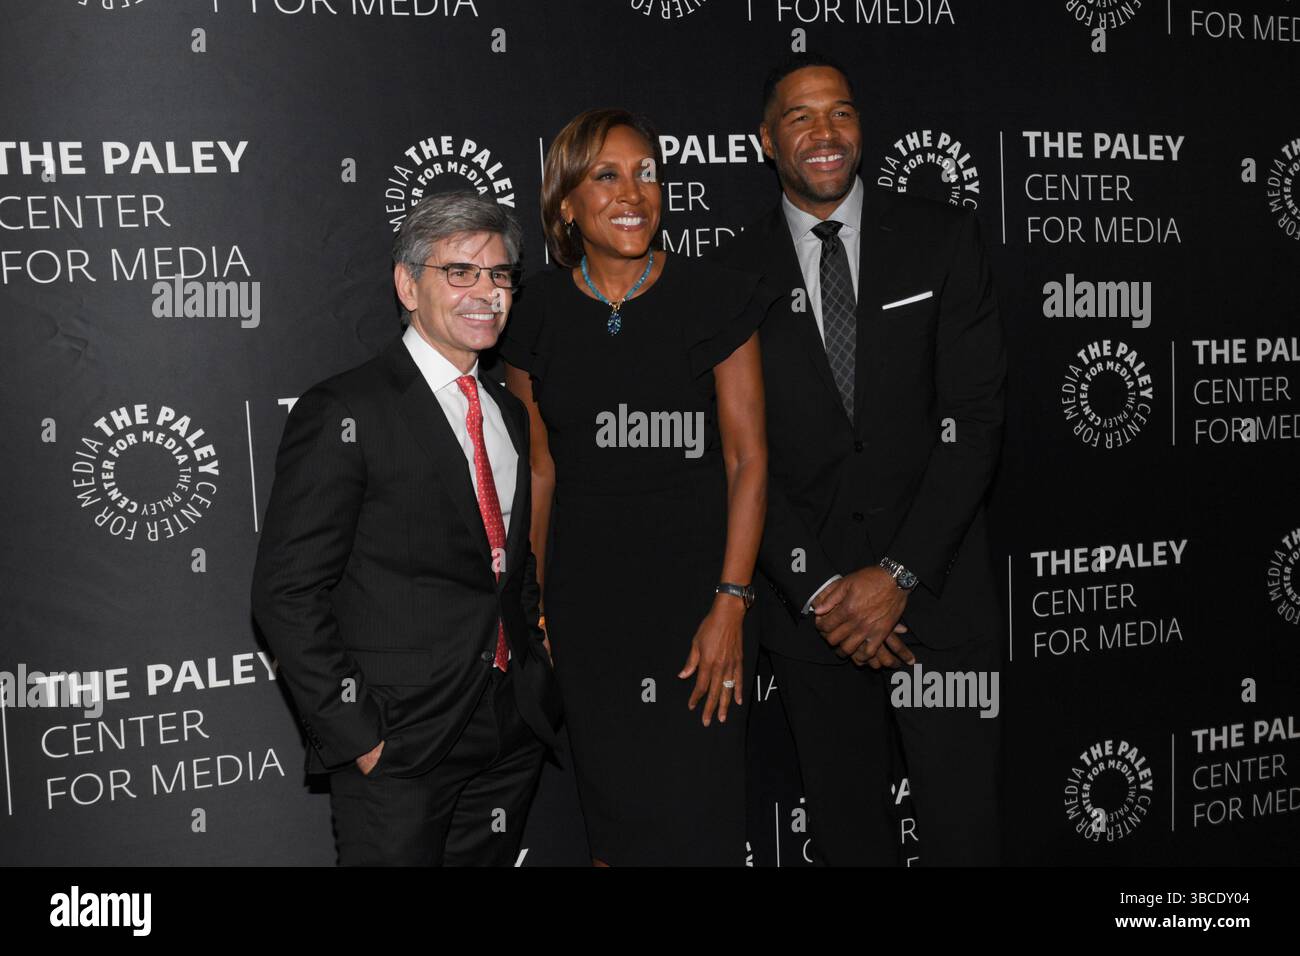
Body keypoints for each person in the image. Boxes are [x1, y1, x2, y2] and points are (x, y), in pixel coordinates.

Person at [713, 53, 1006, 865]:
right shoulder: (731, 276)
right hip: (817, 621)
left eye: (840, 112)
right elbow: (739, 457)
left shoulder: (943, 239)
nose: (825, 133)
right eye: (801, 117)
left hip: (940, 603)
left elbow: (974, 420)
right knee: (848, 841)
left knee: (965, 834)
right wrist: (824, 593)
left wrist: (898, 574)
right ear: (765, 139)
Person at [250, 191, 561, 866]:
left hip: (509, 731)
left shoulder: (508, 412)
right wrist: (358, 735)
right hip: (400, 745)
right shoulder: (344, 409)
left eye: (500, 274)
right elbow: (286, 592)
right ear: (407, 284)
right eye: (460, 272)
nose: (486, 291)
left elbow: (509, 565)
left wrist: (534, 669)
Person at [499, 108, 771, 866]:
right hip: (590, 609)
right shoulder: (533, 315)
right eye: (608, 176)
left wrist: (730, 603)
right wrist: (540, 602)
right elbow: (542, 469)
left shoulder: (716, 297)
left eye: (647, 173)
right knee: (614, 824)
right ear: (565, 204)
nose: (634, 192)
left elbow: (748, 461)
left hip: (701, 598)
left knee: (703, 819)